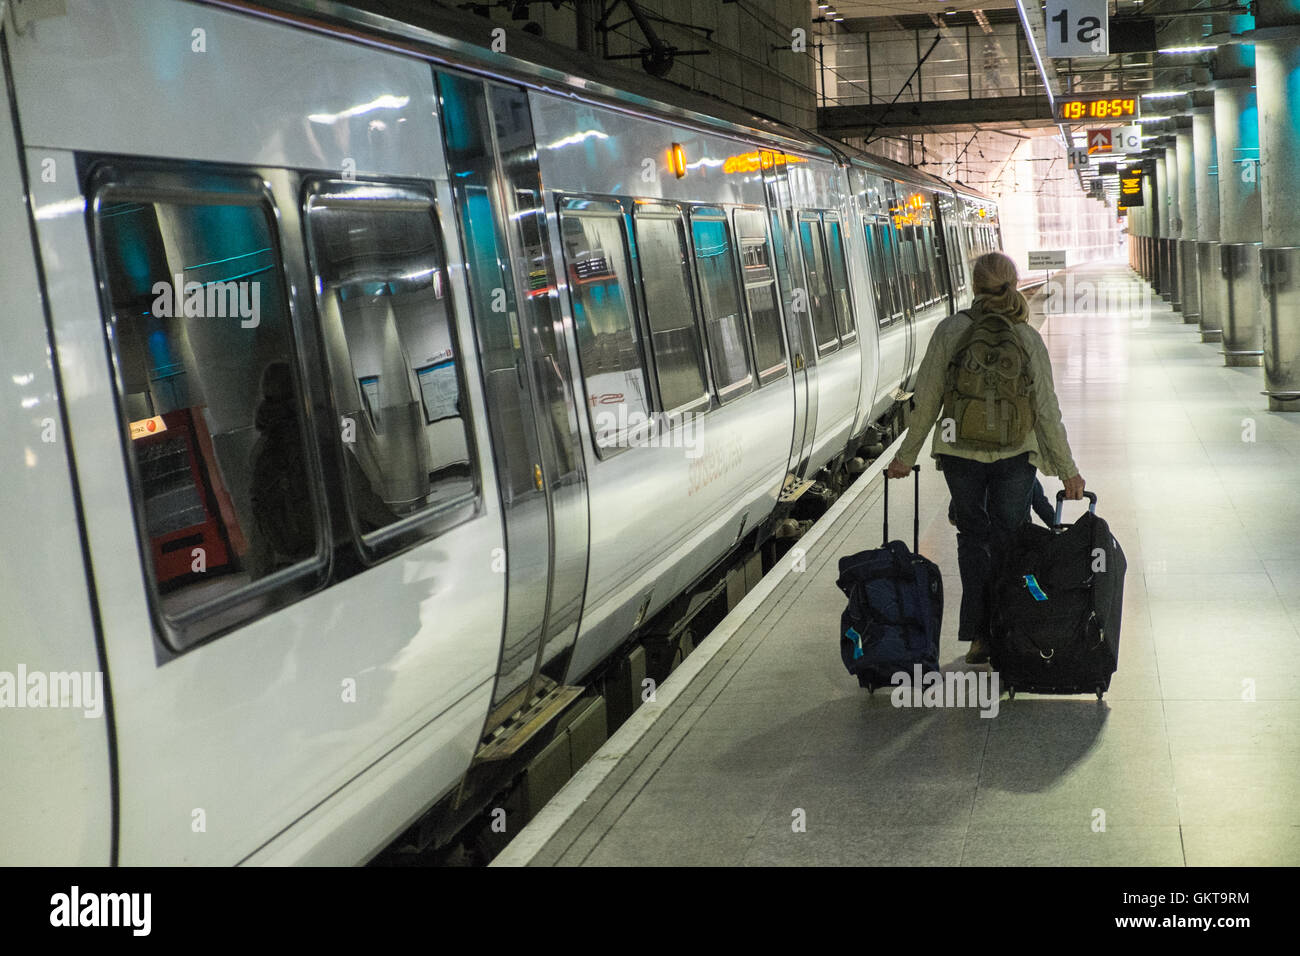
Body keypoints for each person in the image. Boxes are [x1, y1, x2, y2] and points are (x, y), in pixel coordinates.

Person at [886, 252, 1084, 664]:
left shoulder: (951, 331)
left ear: (973, 286)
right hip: (1015, 455)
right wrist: (1068, 472)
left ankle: (979, 636)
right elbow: (1047, 410)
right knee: (1011, 540)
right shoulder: (1026, 337)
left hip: (959, 453)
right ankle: (1011, 629)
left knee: (973, 540)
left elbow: (926, 401)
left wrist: (906, 457)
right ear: (1011, 283)